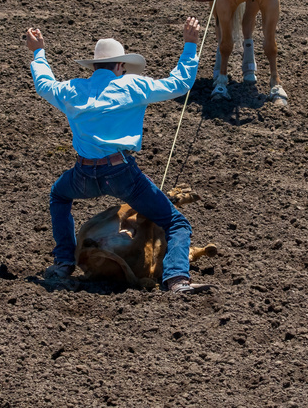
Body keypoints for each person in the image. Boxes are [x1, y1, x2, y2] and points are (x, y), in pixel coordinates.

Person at [26, 18, 212, 294]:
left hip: (84, 174)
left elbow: (44, 84)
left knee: (59, 195)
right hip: (122, 174)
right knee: (176, 222)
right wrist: (190, 44)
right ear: (120, 66)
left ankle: (64, 261)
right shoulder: (132, 86)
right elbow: (180, 83)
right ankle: (176, 280)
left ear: (94, 66)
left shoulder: (72, 90)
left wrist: (38, 51)